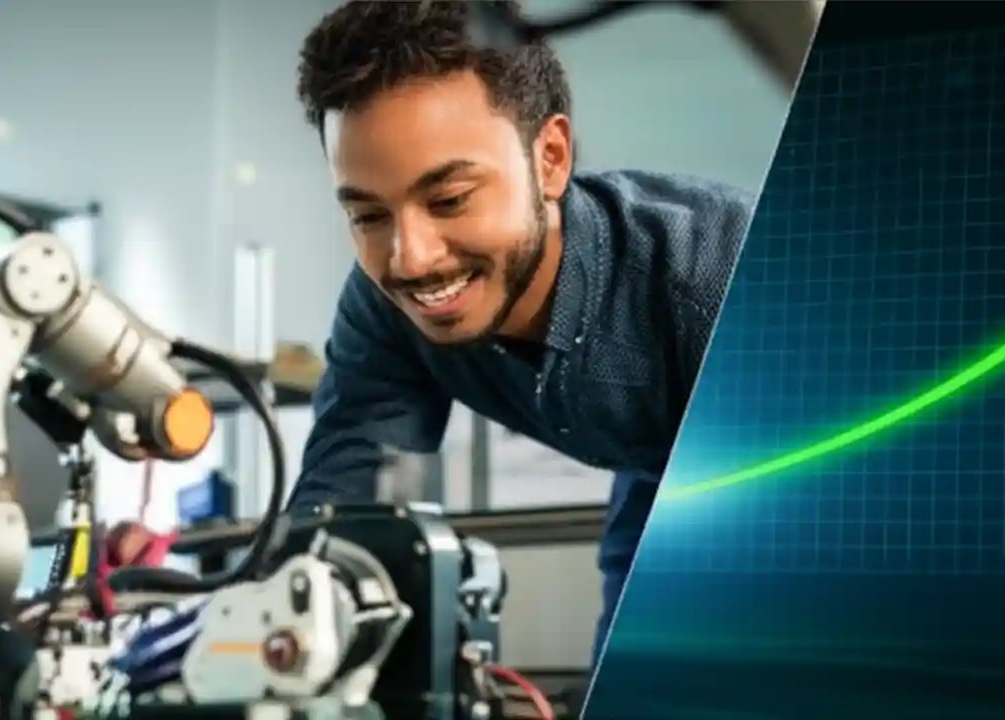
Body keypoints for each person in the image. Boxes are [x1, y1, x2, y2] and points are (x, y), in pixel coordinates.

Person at [288, 0, 754, 668]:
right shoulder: (382, 305)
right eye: (368, 215)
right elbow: (339, 520)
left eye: (449, 200)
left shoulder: (720, 279)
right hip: (657, 459)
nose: (410, 258)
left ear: (551, 158)